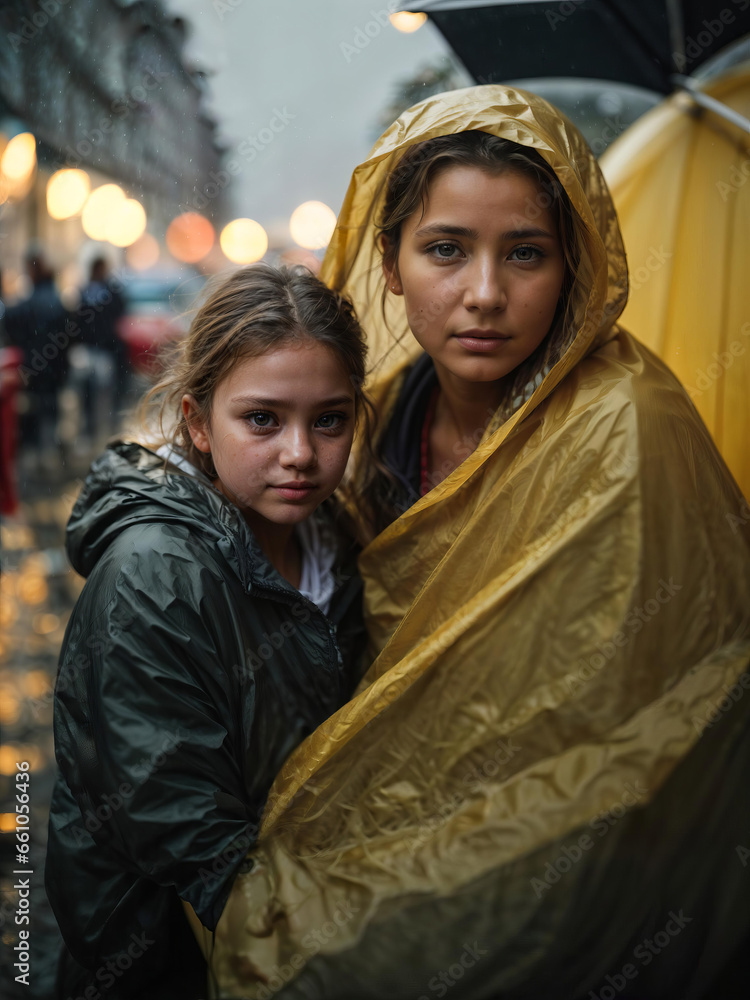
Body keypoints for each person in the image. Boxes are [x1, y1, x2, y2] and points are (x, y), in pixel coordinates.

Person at [205, 86, 750, 999]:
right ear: (388, 262)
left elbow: (633, 731)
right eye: (446, 250)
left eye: (527, 254)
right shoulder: (365, 426)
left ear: (573, 266)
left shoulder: (627, 427)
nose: (485, 296)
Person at [45, 263, 370, 999]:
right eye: (262, 419)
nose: (299, 453)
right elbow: (186, 832)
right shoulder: (151, 577)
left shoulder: (339, 542)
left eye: (330, 419)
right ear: (197, 421)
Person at [4, 251, 68, 464]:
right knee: (50, 412)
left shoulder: (29, 302)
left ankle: (37, 458)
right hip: (53, 368)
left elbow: (13, 327)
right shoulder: (56, 299)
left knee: (34, 414)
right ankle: (48, 457)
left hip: (34, 368)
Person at [76, 255, 128, 442]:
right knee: (94, 390)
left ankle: (100, 428)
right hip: (98, 348)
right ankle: (98, 428)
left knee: (100, 390)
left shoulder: (92, 291)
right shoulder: (101, 291)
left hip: (101, 348)